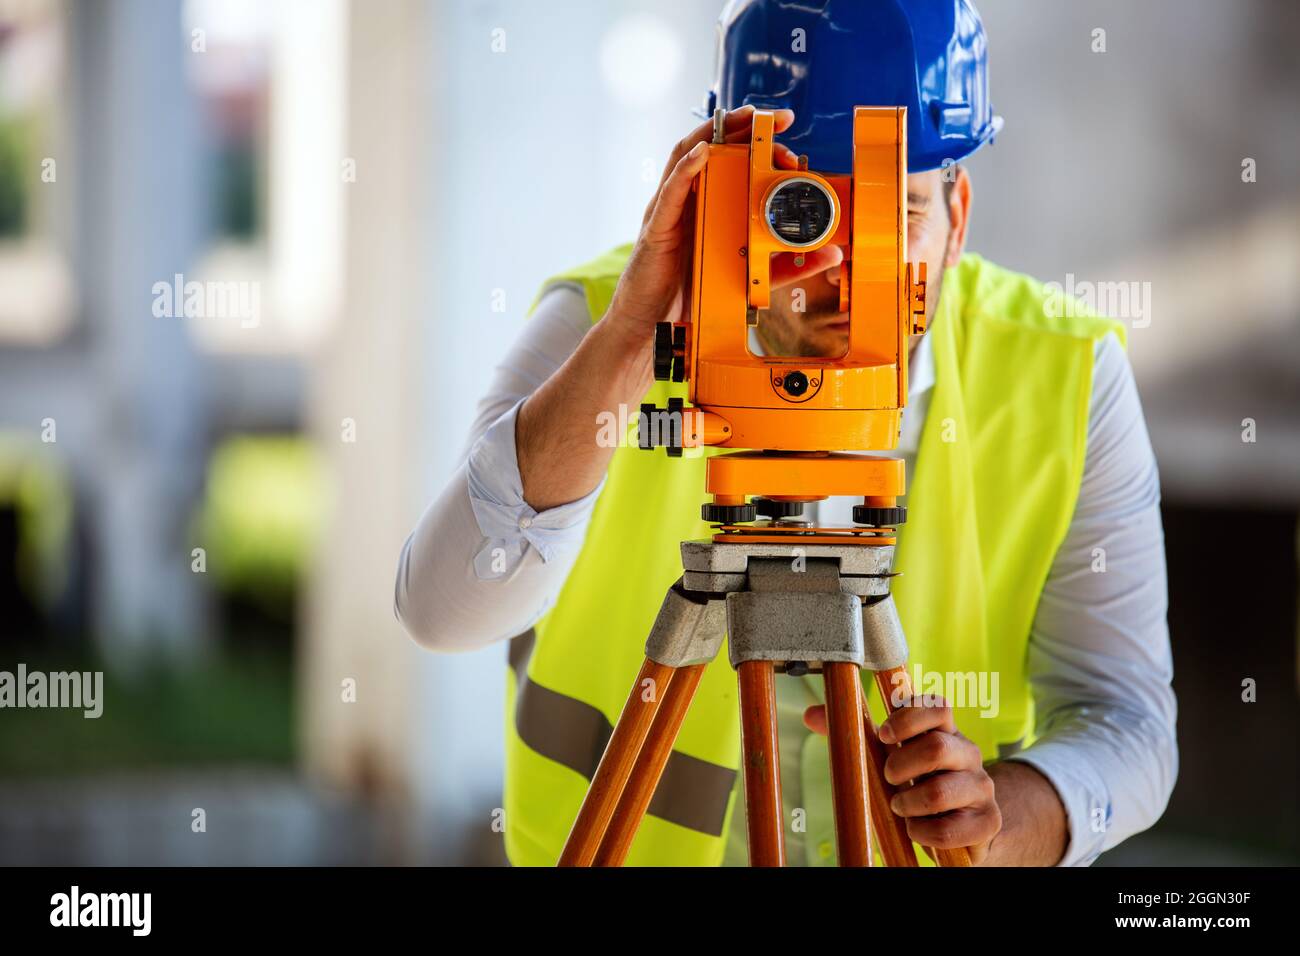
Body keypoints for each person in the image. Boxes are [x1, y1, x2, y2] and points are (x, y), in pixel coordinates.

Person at [395, 0, 1176, 866]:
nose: (842, 265)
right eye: (805, 210)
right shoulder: (601, 321)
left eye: (895, 211)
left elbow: (1129, 723)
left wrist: (999, 818)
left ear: (961, 215)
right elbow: (440, 612)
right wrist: (635, 332)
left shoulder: (1065, 375)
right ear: (726, 185)